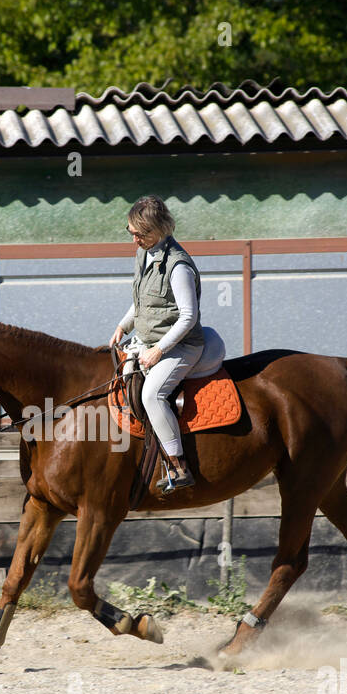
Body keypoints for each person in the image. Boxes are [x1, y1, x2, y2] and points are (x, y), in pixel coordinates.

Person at [109, 195, 220, 493]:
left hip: (182, 346)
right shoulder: (144, 254)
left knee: (152, 395)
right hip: (148, 340)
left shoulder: (178, 265)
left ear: (157, 230)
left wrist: (159, 350)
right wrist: (123, 325)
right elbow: (144, 303)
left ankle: (178, 465)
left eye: (139, 234)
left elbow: (188, 317)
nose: (134, 240)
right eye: (130, 232)